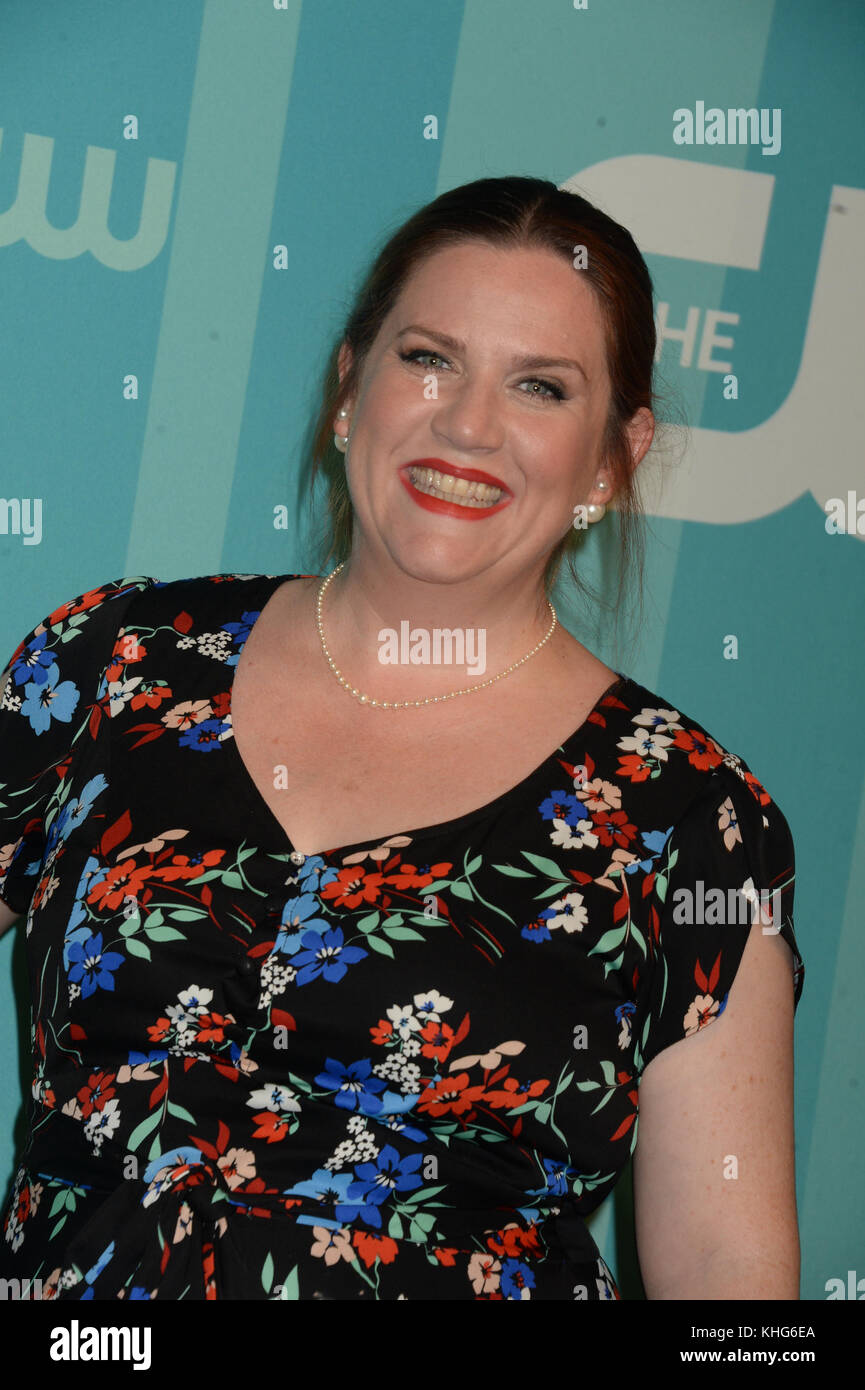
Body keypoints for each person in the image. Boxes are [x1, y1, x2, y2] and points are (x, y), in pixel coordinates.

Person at [0, 176, 804, 1301]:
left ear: (615, 461)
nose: (468, 426)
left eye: (539, 385)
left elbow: (730, 1281)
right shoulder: (113, 663)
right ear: (348, 389)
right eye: (429, 358)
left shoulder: (689, 817)